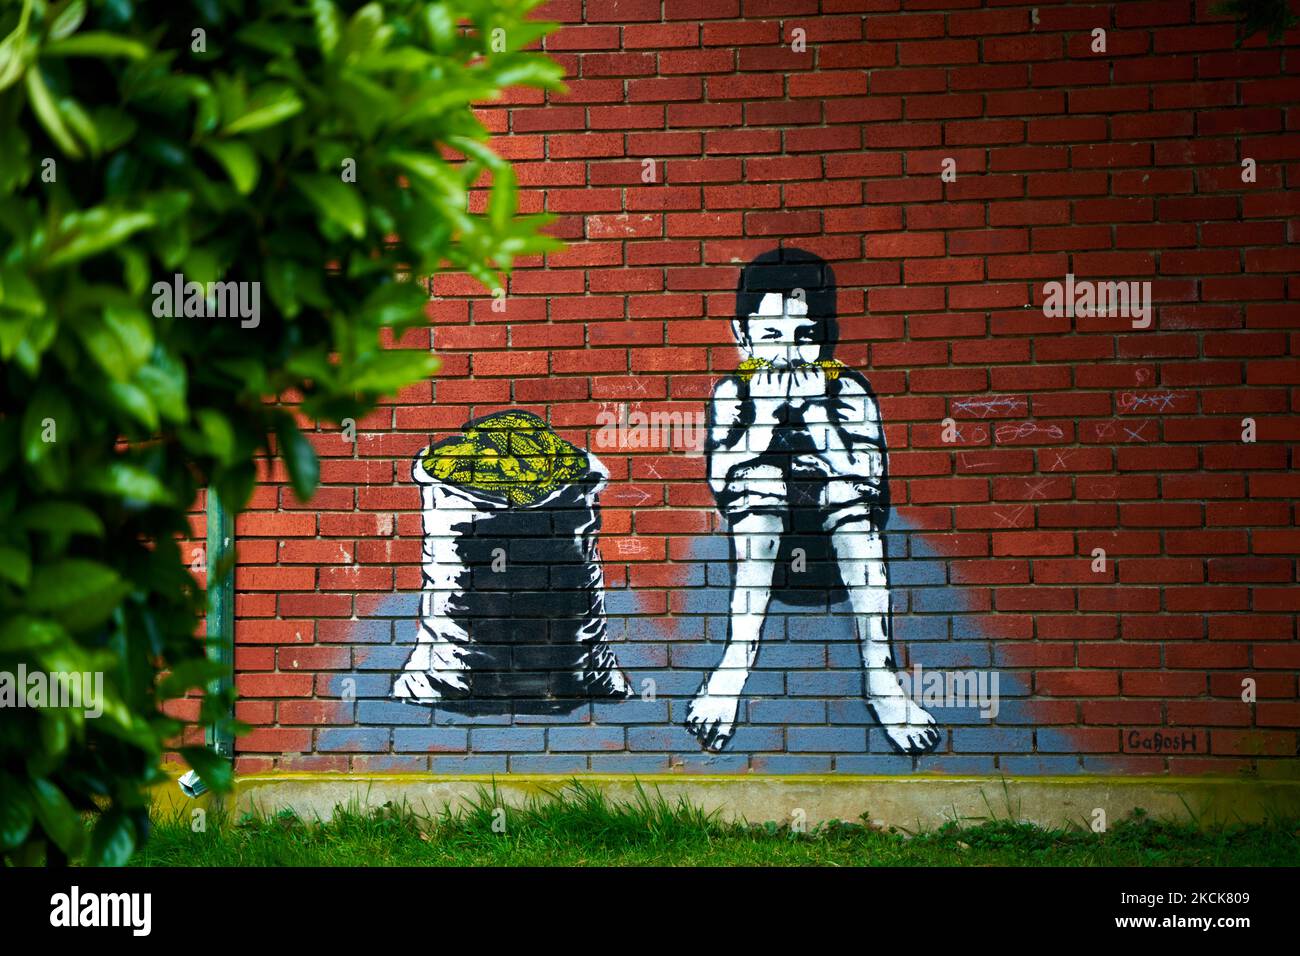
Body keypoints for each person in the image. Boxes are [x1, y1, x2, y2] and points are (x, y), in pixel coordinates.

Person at [684, 249, 940, 754]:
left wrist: (817, 413)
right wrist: (763, 416)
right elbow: (721, 480)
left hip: (837, 542)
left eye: (804, 336)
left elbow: (869, 477)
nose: (789, 353)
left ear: (827, 338)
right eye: (771, 336)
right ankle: (732, 670)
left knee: (848, 495)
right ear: (742, 336)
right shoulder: (734, 392)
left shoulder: (848, 388)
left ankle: (882, 678)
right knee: (760, 488)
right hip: (766, 543)